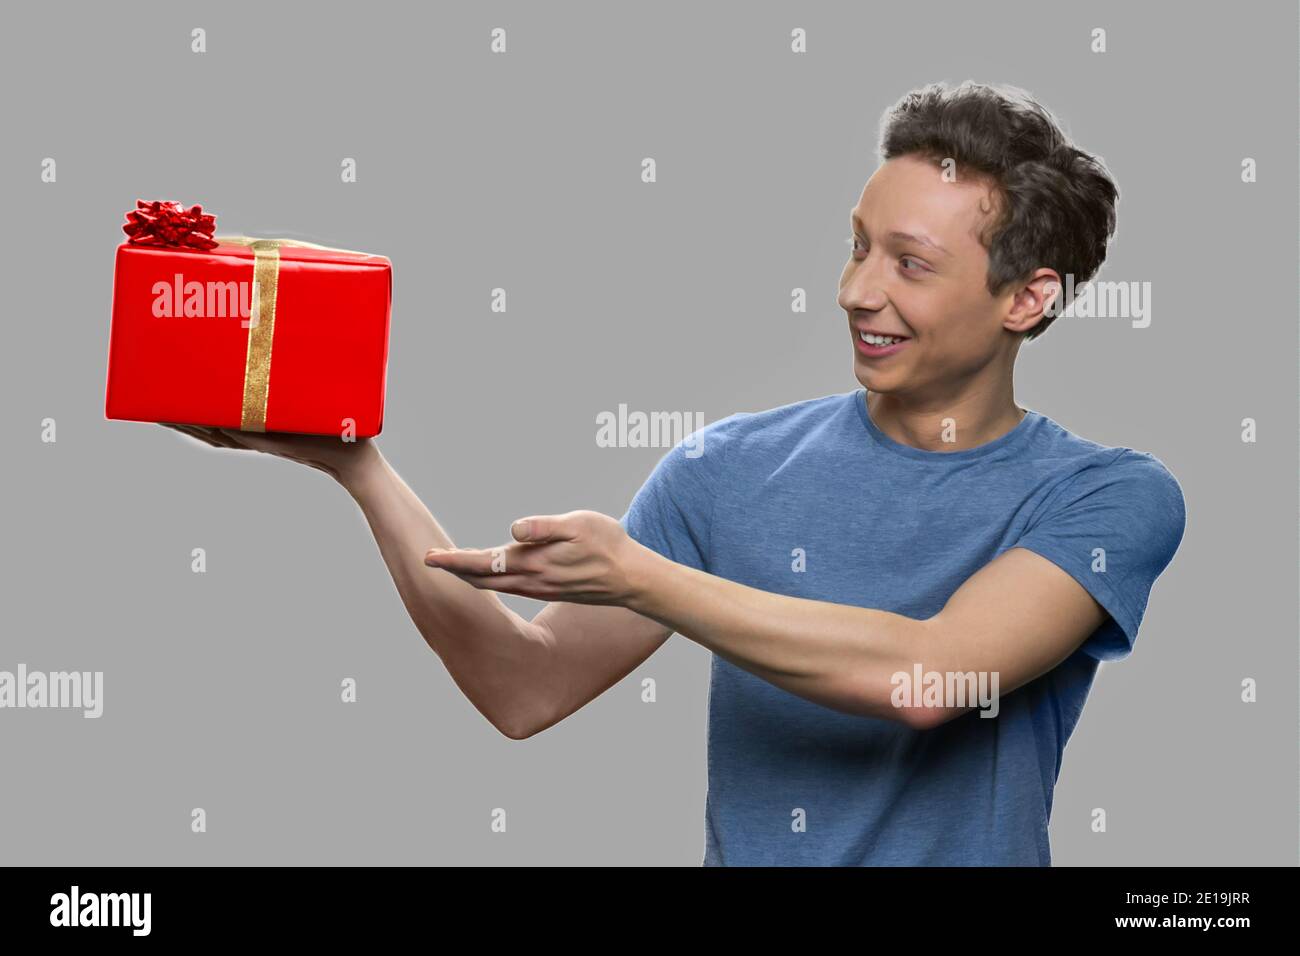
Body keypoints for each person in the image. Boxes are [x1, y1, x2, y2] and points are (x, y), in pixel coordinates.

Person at [168, 81, 1187, 866]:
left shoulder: (1105, 496)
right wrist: (360, 467)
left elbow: (928, 675)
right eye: (855, 246)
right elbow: (524, 687)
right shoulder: (728, 467)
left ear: (1027, 297)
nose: (854, 290)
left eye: (908, 264)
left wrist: (642, 576)